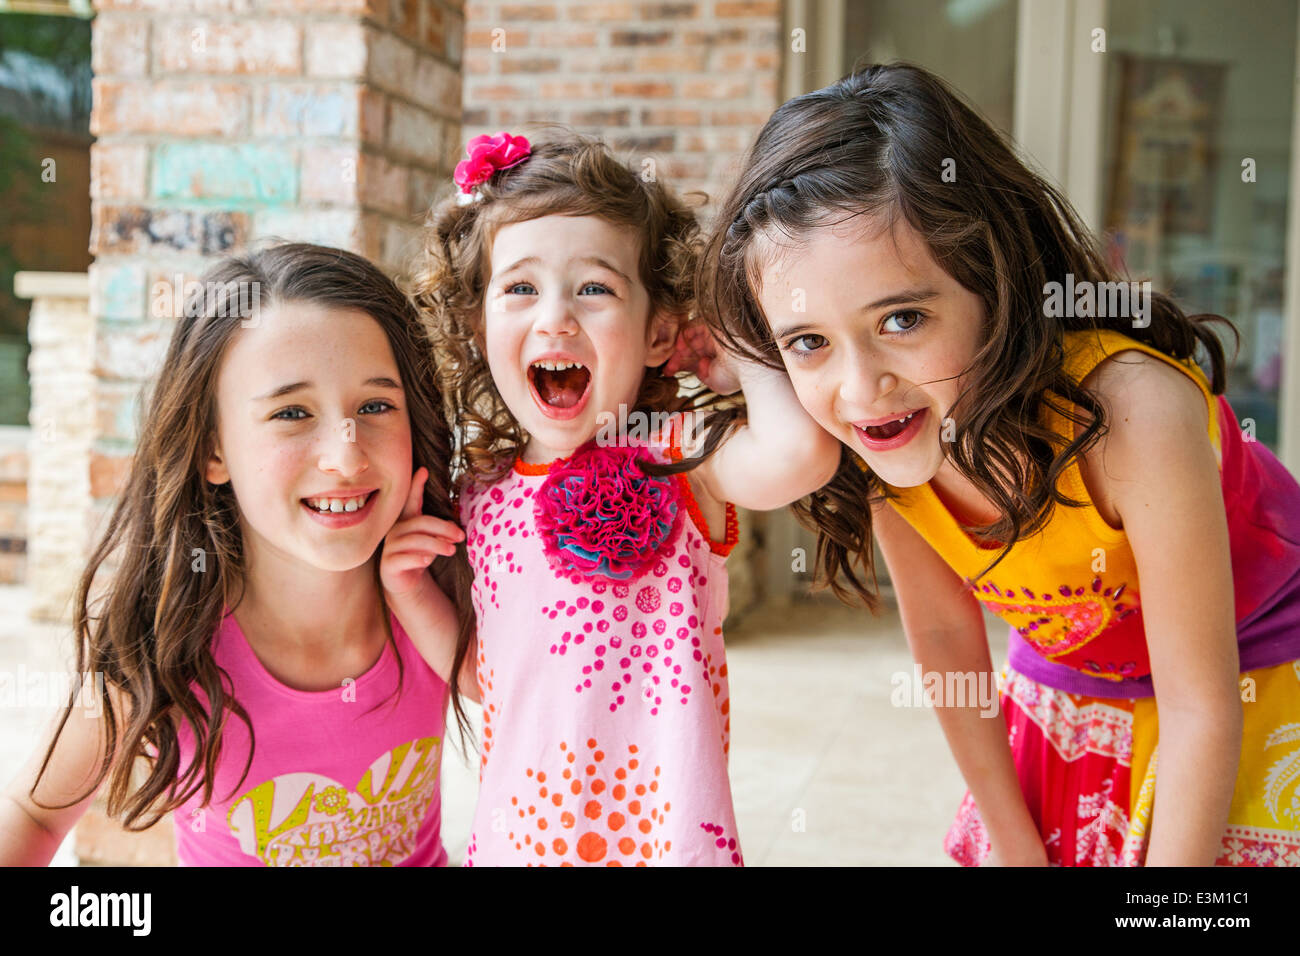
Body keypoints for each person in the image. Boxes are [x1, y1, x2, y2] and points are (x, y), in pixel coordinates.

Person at [699, 63, 1300, 866]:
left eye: (903, 318)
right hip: (1070, 673)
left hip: (1252, 679)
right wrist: (1017, 850)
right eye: (808, 342)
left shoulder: (1133, 414)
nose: (859, 386)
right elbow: (948, 641)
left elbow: (1201, 703)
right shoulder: (882, 432)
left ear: (995, 281)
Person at [391, 130, 841, 865]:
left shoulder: (678, 455)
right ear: (477, 326)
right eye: (520, 288)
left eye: (594, 288)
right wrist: (410, 590)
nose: (555, 317)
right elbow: (488, 680)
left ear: (659, 330)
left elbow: (800, 455)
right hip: (519, 846)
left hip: (663, 846)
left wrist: (740, 361)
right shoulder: (478, 496)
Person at [0, 243, 471, 866]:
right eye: (292, 412)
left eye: (375, 406)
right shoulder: (166, 648)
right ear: (213, 449)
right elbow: (34, 813)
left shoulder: (447, 584)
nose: (346, 455)